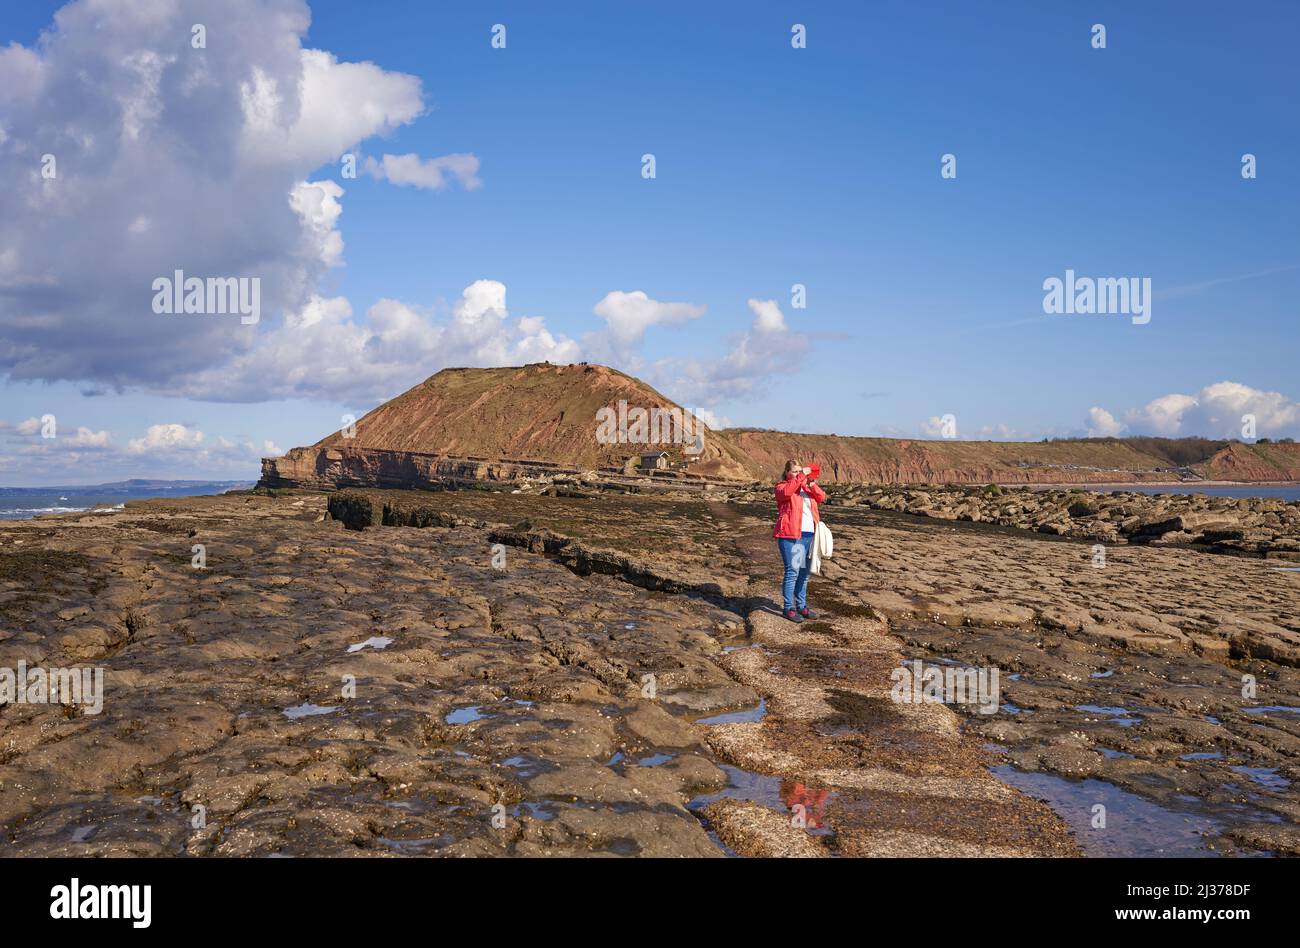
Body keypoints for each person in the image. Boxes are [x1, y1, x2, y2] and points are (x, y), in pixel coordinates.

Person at [773, 459, 825, 622]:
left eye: (799, 471)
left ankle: (802, 606)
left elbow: (821, 497)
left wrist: (811, 485)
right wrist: (802, 476)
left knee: (804, 573)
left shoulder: (805, 487)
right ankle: (789, 608)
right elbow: (787, 493)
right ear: (787, 473)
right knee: (793, 572)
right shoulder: (782, 486)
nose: (798, 474)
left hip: (810, 536)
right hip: (792, 536)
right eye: (794, 471)